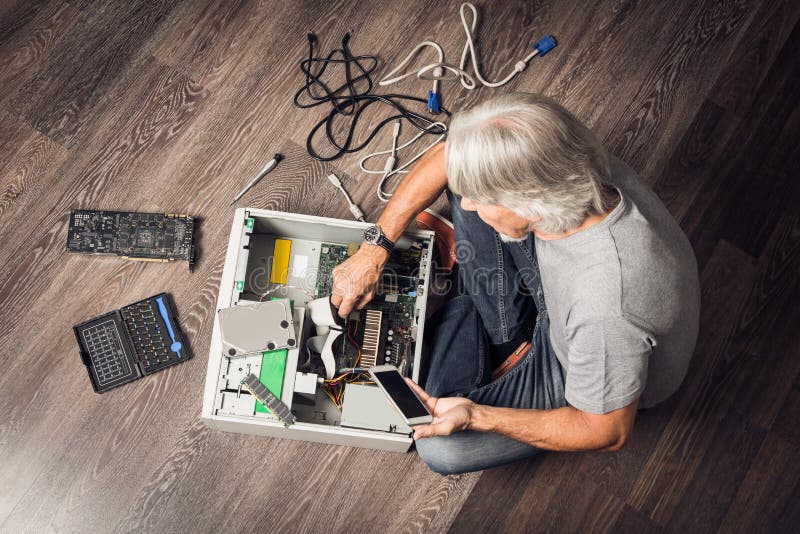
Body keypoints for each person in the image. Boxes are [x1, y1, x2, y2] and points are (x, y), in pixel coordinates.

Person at [331, 93, 700, 475]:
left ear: (529, 205)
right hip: (560, 289)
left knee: (442, 448)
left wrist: (475, 415)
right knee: (465, 175)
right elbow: (449, 158)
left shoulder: (607, 310)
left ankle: (483, 315)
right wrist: (375, 248)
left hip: (572, 359)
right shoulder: (556, 155)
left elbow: (606, 431)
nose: (468, 206)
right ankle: (499, 327)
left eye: (481, 201)